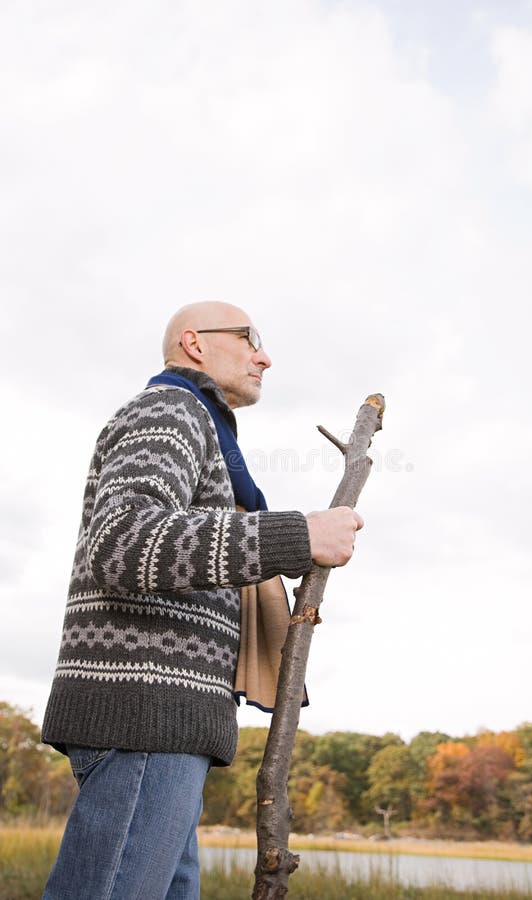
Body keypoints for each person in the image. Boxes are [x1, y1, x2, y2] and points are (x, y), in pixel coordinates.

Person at [41, 301, 363, 900]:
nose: (265, 357)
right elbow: (121, 543)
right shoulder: (169, 410)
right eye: (250, 338)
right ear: (194, 343)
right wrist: (297, 536)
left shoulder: (204, 429)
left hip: (167, 723)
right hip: (145, 713)